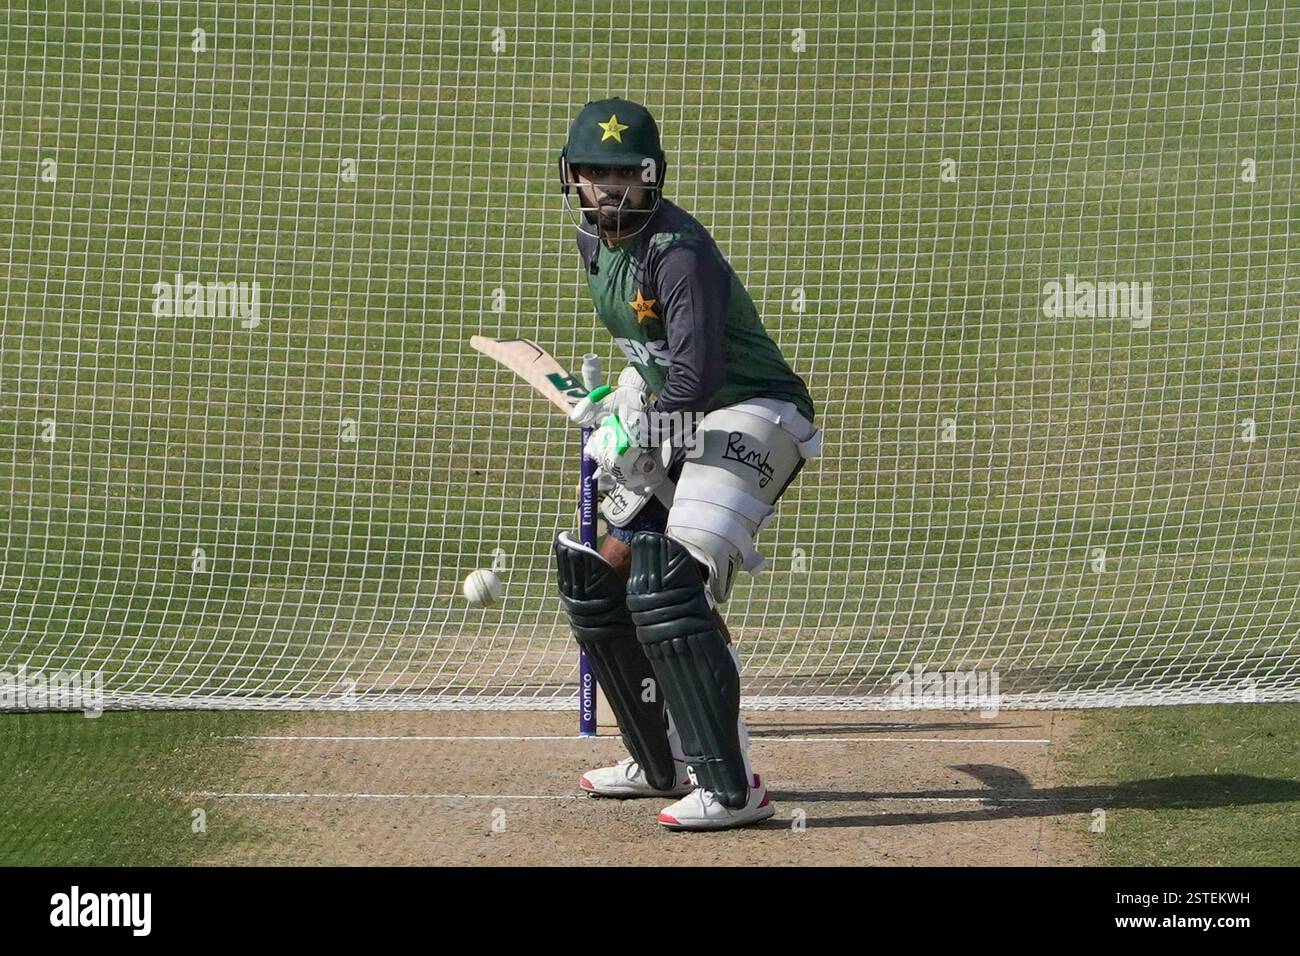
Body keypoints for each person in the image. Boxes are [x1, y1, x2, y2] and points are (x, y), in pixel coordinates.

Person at [552, 96, 821, 831]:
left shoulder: (679, 253)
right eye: (593, 172)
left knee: (670, 582)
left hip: (755, 412)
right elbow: (657, 356)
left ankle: (733, 790)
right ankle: (658, 761)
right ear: (571, 177)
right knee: (598, 577)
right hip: (683, 412)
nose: (608, 187)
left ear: (651, 176)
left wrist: (639, 439)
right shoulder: (592, 244)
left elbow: (699, 375)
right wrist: (618, 402)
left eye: (623, 173)